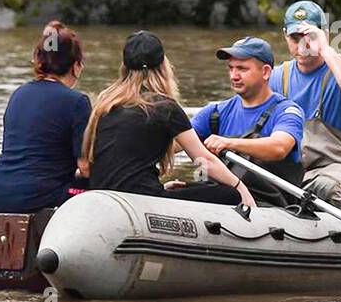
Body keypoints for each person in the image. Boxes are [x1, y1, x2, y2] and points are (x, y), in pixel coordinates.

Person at [84, 30, 257, 209]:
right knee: (228, 194)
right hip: (142, 199)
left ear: (124, 66)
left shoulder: (106, 102)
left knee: (189, 185)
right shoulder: (164, 107)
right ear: (163, 66)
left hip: (104, 195)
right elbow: (204, 160)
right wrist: (241, 189)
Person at [270, 0, 341, 209]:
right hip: (293, 174)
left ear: (324, 34)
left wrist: (326, 50)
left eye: (309, 37)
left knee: (324, 188)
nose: (302, 45)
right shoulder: (277, 77)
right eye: (295, 37)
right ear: (285, 36)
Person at [0, 21, 91, 214]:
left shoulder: (18, 94)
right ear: (75, 66)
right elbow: (85, 167)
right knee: (96, 186)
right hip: (38, 197)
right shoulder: (77, 102)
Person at [191, 36, 306, 207]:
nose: (234, 76)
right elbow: (177, 141)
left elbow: (279, 147)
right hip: (222, 197)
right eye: (231, 68)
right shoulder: (215, 112)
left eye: (242, 69)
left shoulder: (287, 111)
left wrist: (229, 143)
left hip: (270, 205)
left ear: (266, 72)